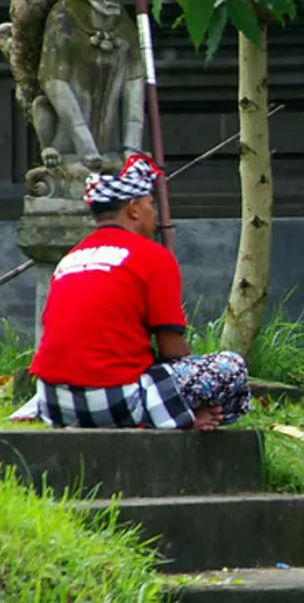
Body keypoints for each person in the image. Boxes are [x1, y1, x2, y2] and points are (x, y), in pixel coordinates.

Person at [28, 154, 251, 431]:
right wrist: (188, 395)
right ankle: (183, 416)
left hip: (53, 403)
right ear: (133, 209)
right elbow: (172, 350)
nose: (154, 213)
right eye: (150, 204)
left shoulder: (70, 258)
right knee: (231, 367)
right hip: (113, 402)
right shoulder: (152, 256)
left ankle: (175, 412)